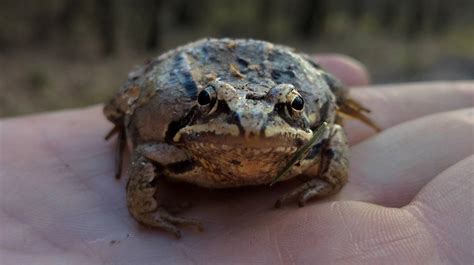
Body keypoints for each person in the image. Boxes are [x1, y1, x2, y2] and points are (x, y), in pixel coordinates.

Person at [0, 55, 472, 264]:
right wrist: (148, 212)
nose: (248, 126)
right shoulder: (176, 150)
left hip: (276, 67)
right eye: (217, 106)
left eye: (287, 109)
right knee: (116, 103)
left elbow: (329, 133)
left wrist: (328, 181)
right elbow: (146, 153)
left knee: (334, 87)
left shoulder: (315, 141)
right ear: (206, 106)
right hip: (182, 71)